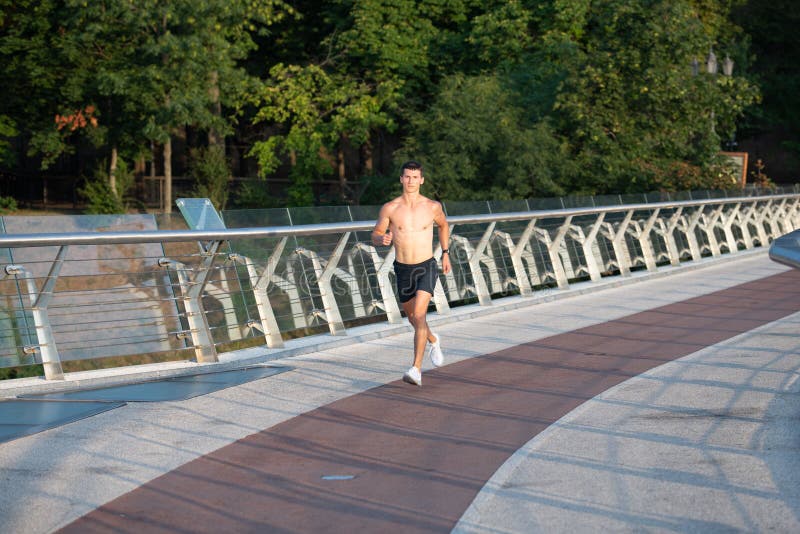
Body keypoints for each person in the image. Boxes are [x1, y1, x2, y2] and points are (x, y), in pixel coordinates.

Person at [372, 160, 451, 386]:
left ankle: (416, 369)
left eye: (415, 177)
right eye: (407, 176)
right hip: (402, 269)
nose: (411, 181)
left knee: (419, 314)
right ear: (401, 179)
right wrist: (381, 239)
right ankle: (433, 339)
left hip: (426, 266)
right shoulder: (390, 208)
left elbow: (443, 225)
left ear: (421, 180)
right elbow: (376, 233)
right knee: (413, 319)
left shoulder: (432, 206)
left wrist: (445, 253)